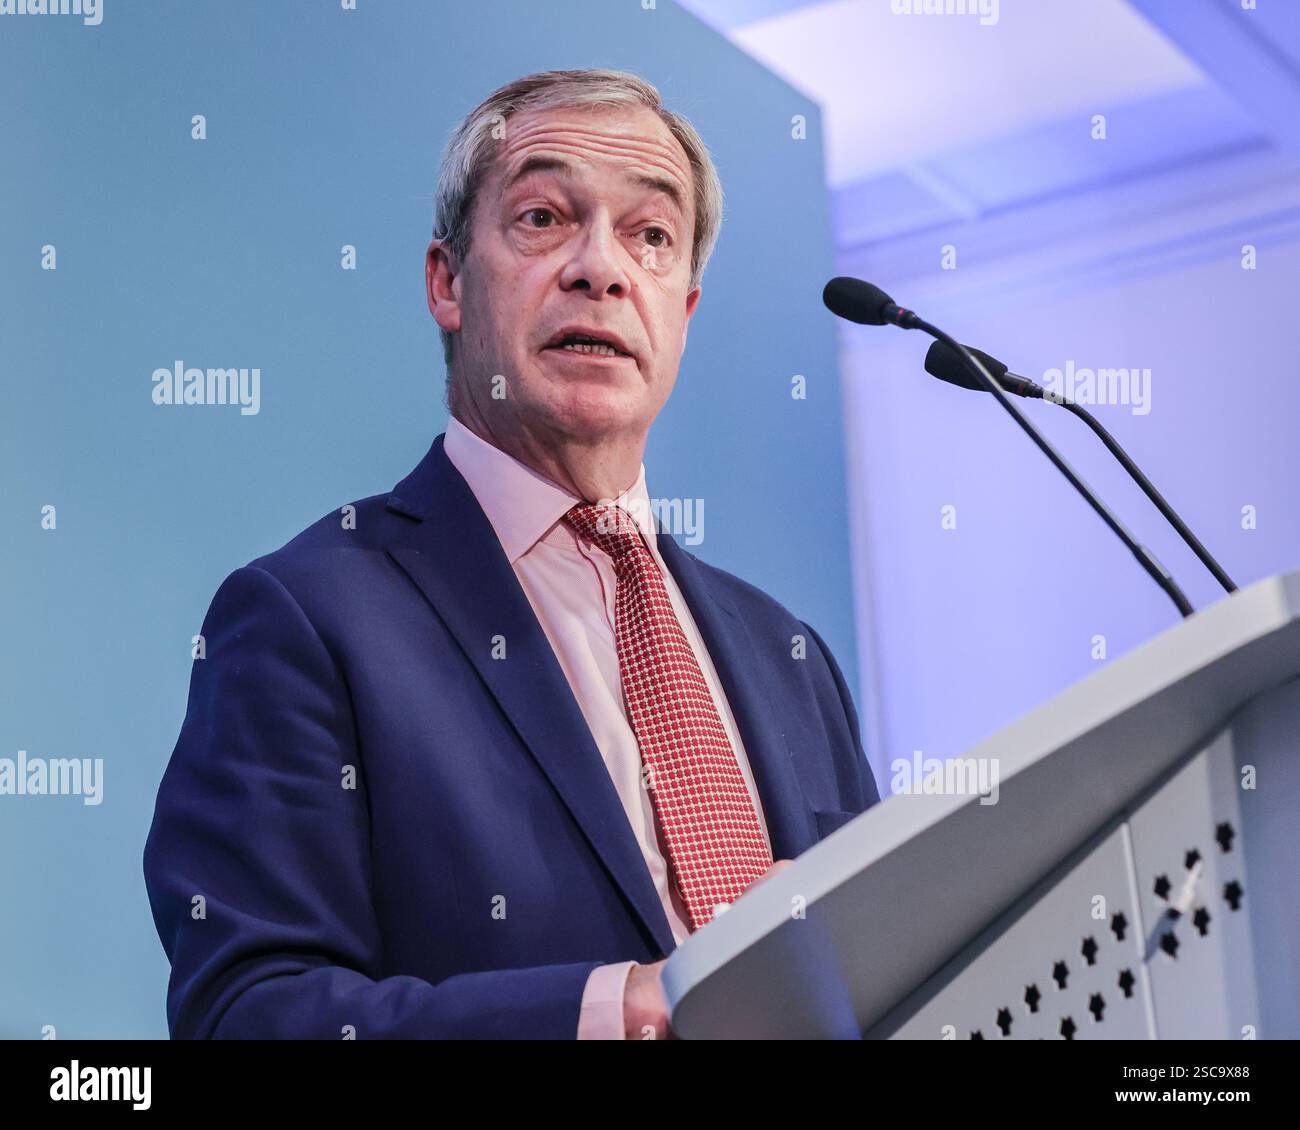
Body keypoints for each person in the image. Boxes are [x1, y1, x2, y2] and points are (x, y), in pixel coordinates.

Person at [143, 68, 879, 1040]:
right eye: (542, 217)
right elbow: (249, 1013)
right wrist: (626, 1007)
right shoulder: (306, 618)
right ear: (447, 282)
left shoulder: (791, 656)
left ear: (684, 311)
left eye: (650, 235)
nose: (600, 268)